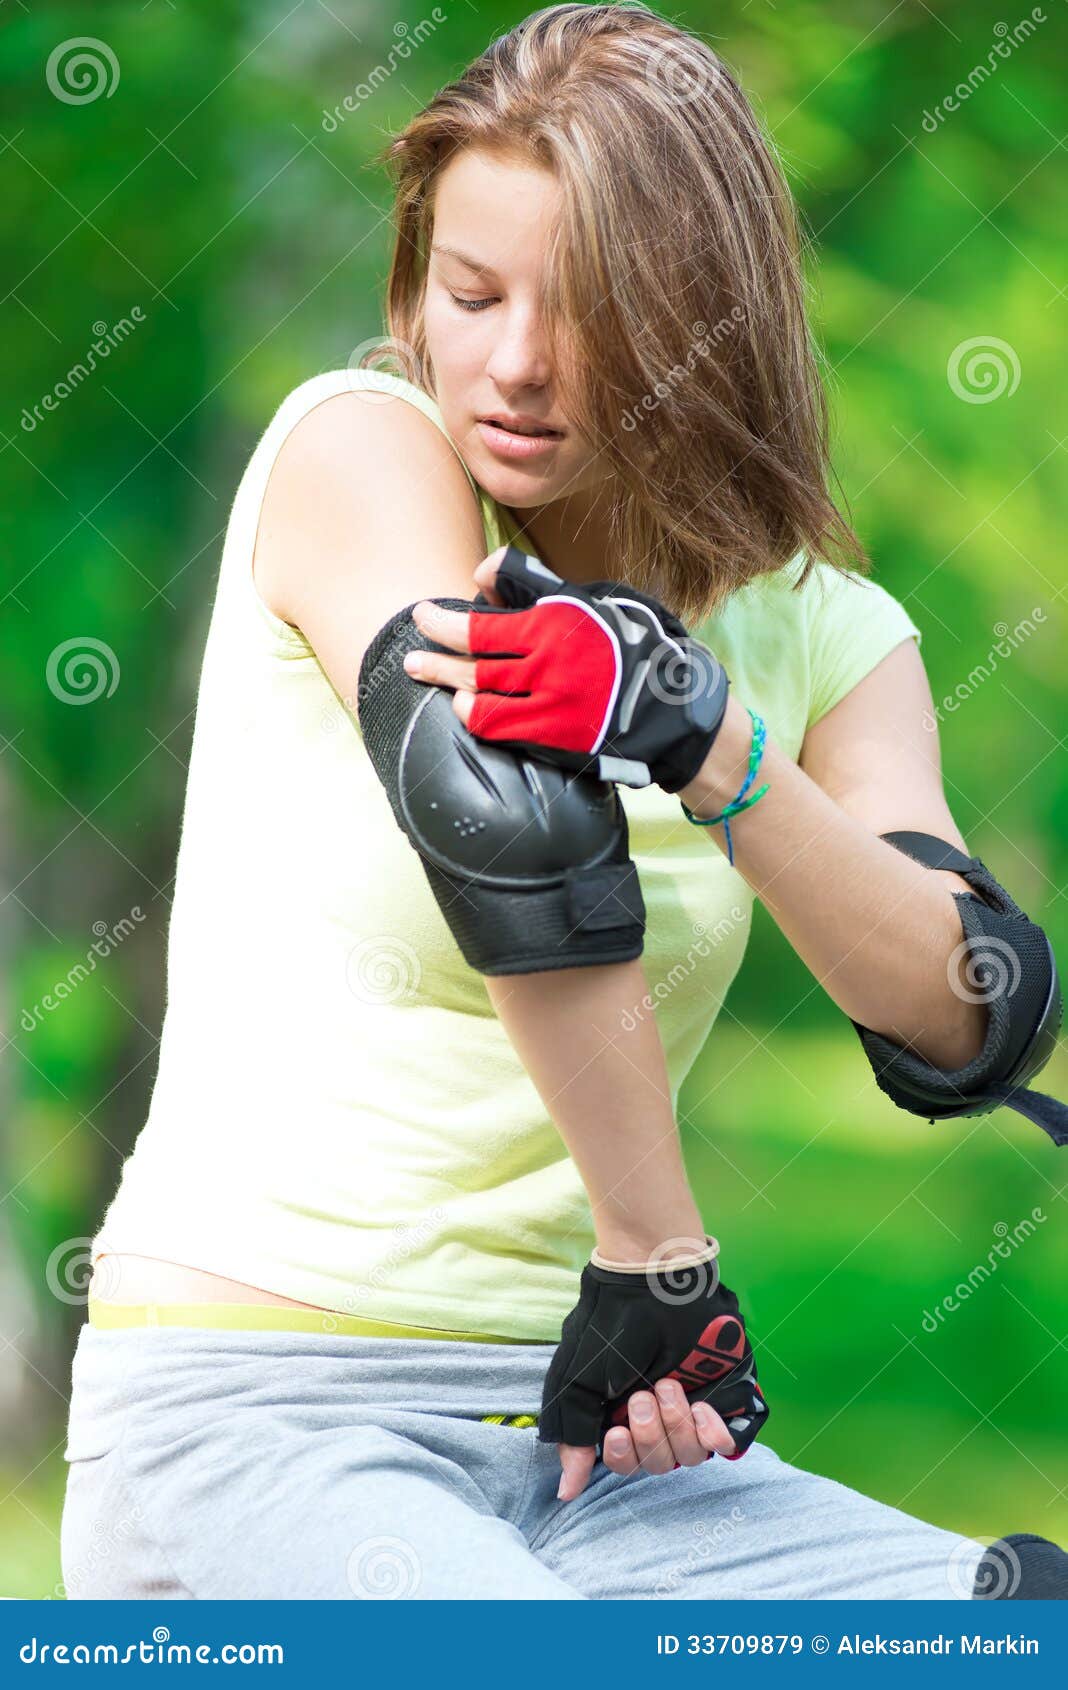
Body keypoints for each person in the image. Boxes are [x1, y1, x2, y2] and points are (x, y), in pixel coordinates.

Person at [60, 4, 1063, 1601]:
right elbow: (502, 814)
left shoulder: (825, 630)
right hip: (263, 1416)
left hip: (612, 1447)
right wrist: (659, 1257)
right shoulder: (363, 452)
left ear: (705, 320)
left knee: (1016, 1627)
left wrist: (713, 740)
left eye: (589, 310)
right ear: (413, 293)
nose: (516, 361)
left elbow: (967, 1006)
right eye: (472, 295)